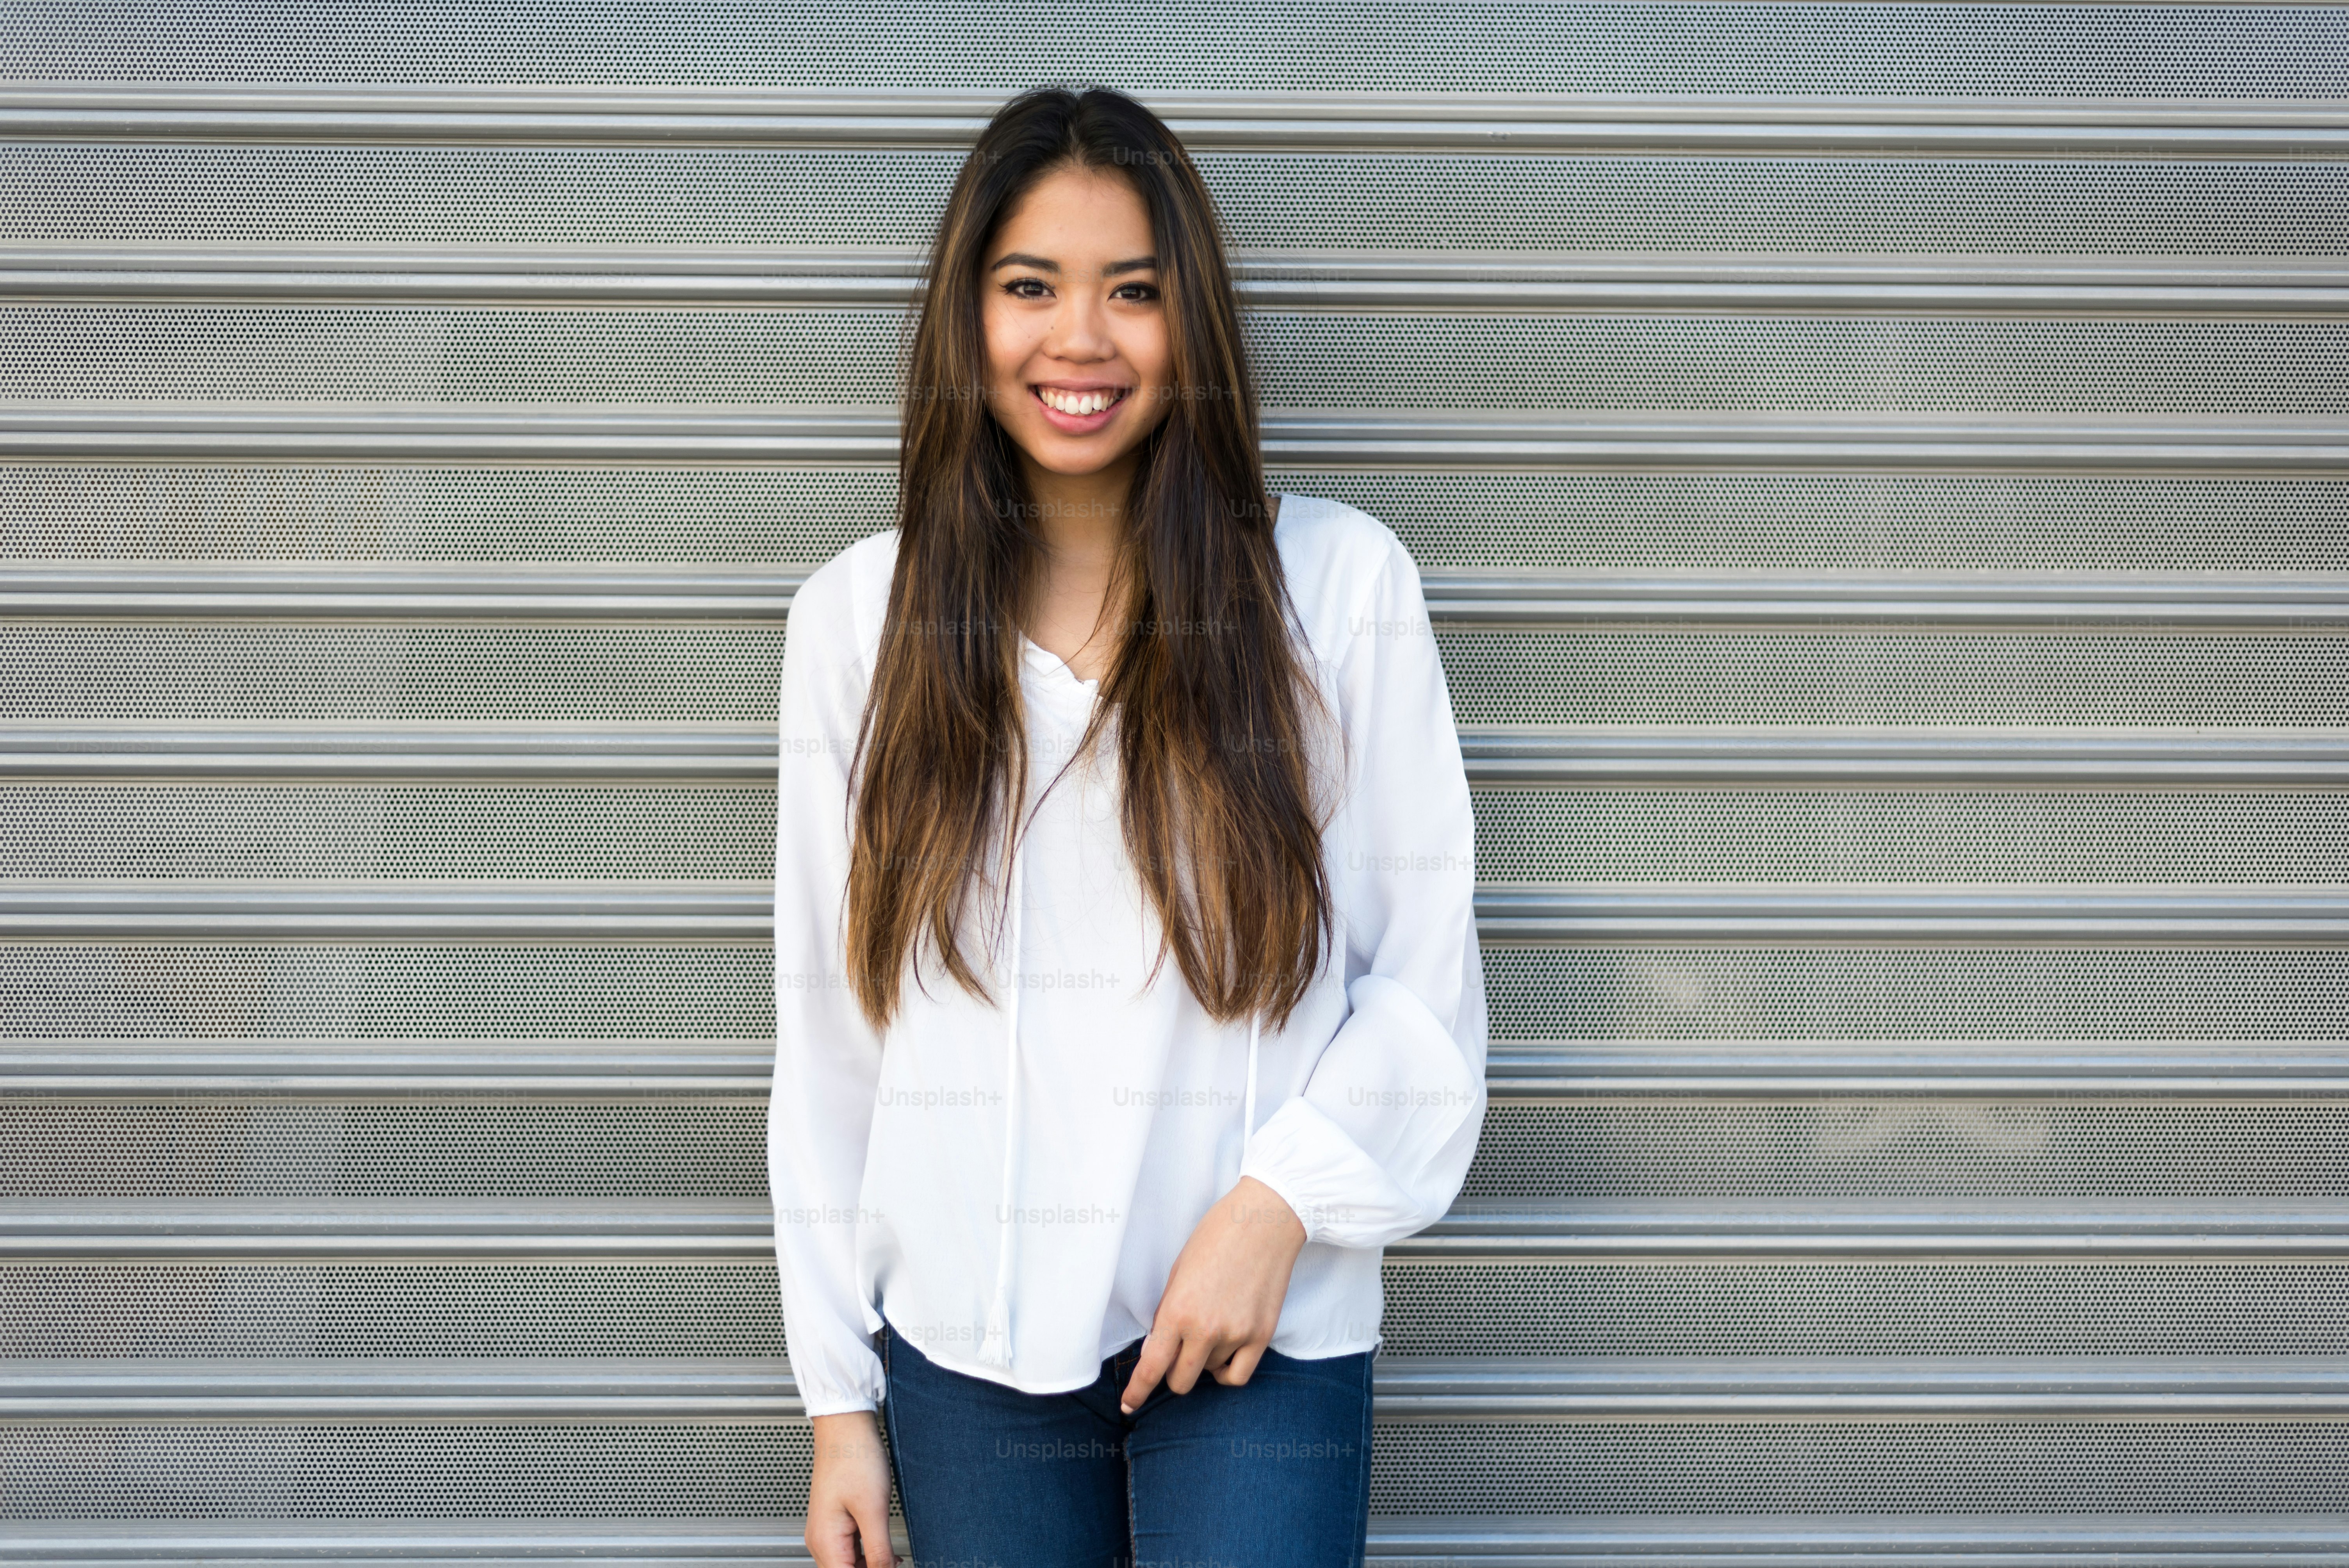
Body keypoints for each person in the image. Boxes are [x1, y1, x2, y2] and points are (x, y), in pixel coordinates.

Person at [770, 84, 1486, 1568]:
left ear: (1194, 325)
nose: (1078, 340)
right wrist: (841, 1403)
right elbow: (835, 1036)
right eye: (1029, 287)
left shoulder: (1339, 593)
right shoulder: (860, 621)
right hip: (969, 1350)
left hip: (1259, 1331)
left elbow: (1423, 988)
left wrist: (1277, 1208)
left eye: (1133, 293)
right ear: (967, 318)